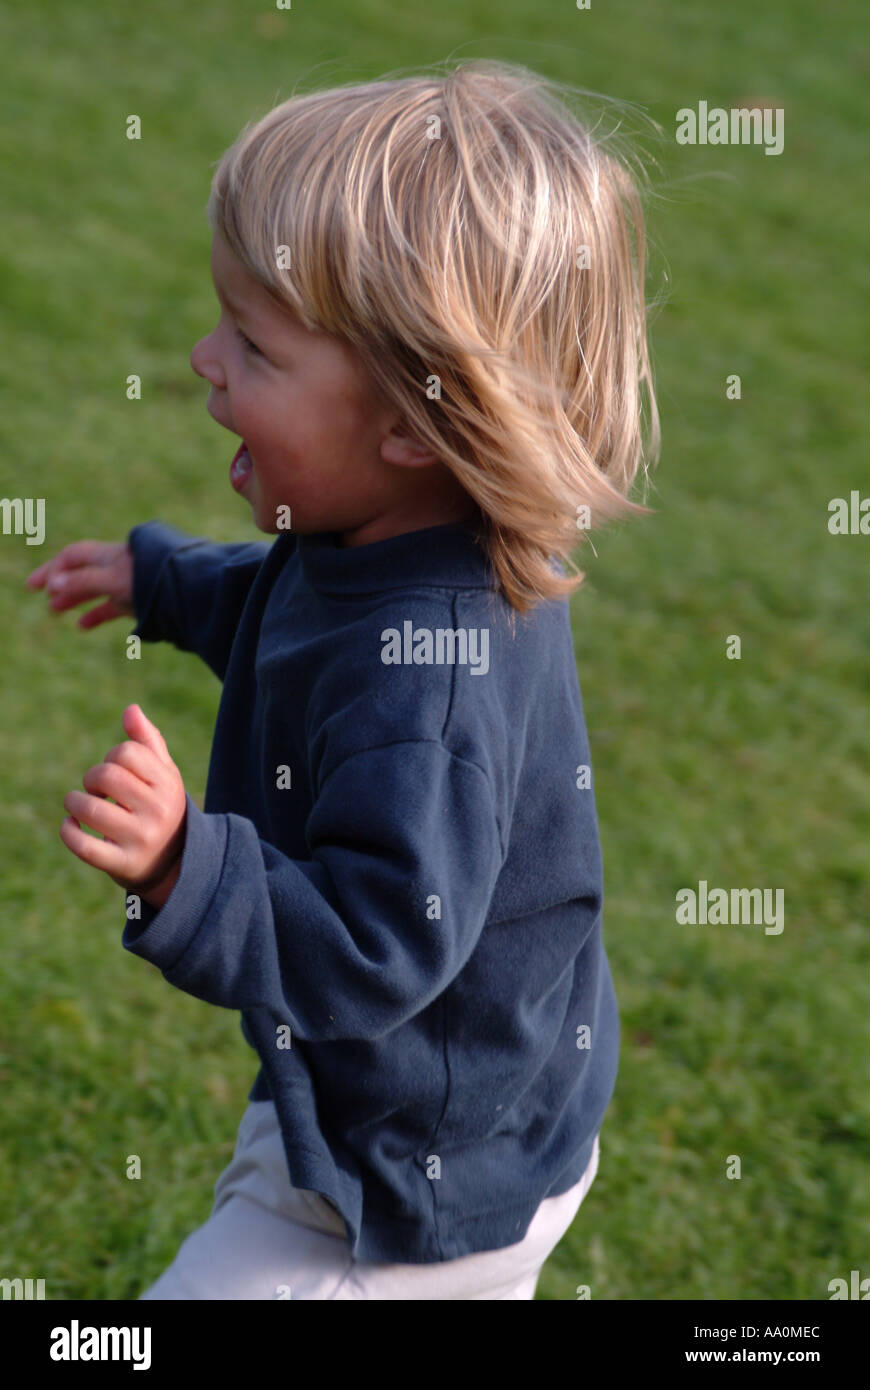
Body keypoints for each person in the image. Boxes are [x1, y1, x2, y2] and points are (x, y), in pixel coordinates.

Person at [26, 58, 660, 1299]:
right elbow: (294, 612)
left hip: (407, 1179)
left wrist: (182, 866)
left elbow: (377, 945)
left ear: (414, 423)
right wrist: (163, 583)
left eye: (254, 344)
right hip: (467, 1102)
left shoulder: (431, 688)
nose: (206, 359)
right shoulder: (389, 537)